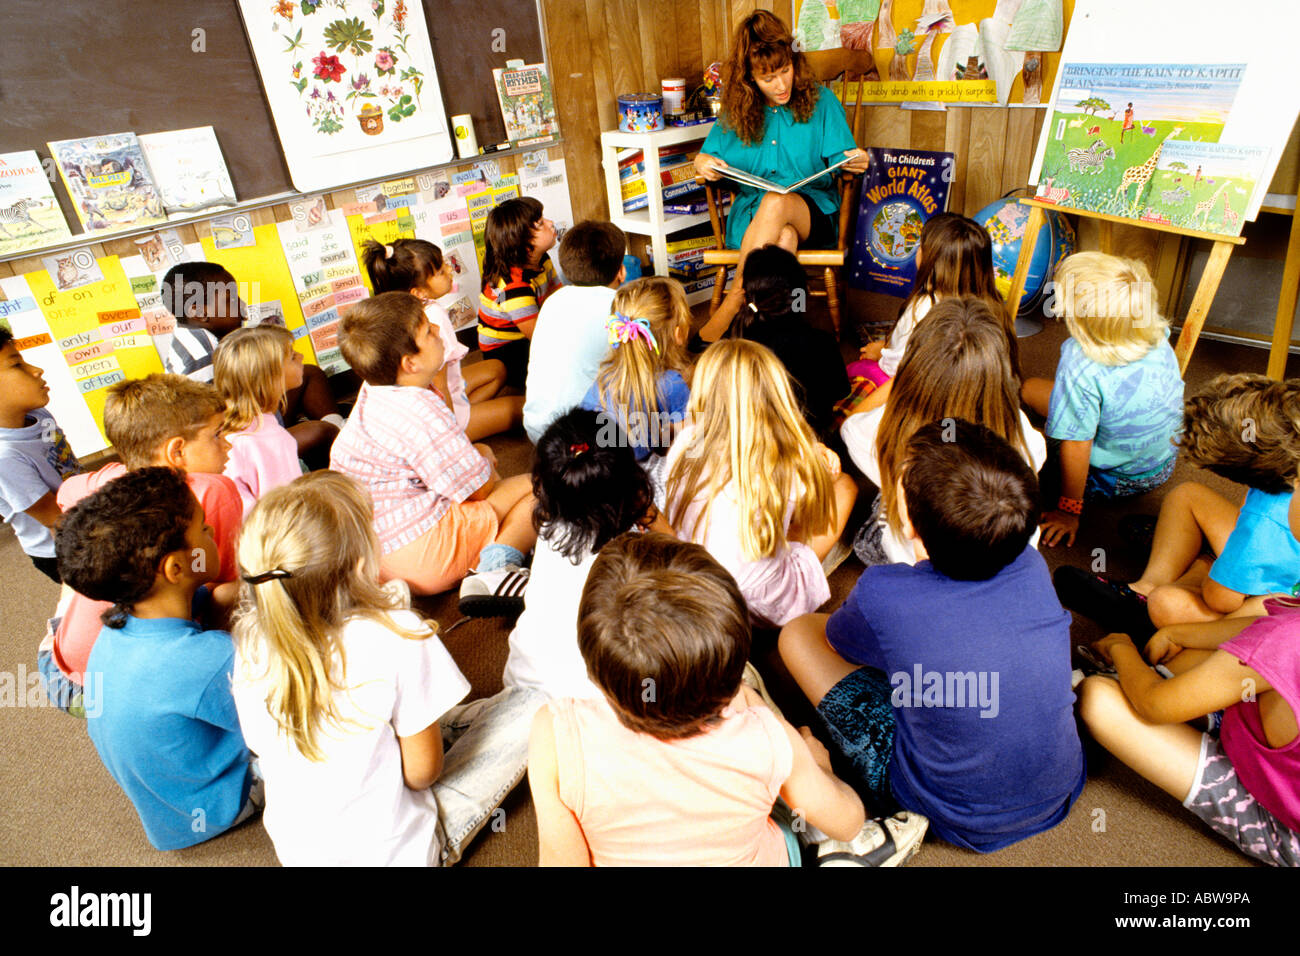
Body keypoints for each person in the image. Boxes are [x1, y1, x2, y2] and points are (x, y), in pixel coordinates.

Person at [779, 420, 1086, 852]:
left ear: (906, 520)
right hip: (1060, 788)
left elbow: (836, 643)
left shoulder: (882, 591)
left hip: (949, 811)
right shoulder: (1033, 567)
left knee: (797, 634)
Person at [230, 471, 543, 866]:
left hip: (303, 855)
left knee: (388, 721)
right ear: (361, 566)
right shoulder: (396, 635)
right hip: (400, 853)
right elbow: (422, 774)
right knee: (536, 707)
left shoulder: (250, 643)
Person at [528, 531, 877, 866]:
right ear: (730, 684)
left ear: (593, 669)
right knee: (791, 799)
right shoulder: (767, 735)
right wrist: (818, 766)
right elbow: (847, 822)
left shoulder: (553, 736)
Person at [1077, 456, 1300, 867]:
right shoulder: (1283, 629)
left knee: (1099, 698)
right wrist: (1180, 633)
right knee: (1257, 617)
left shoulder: (1283, 643)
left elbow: (1156, 705)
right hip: (1265, 707)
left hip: (1287, 829)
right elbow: (1259, 631)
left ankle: (1134, 660)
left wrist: (1123, 648)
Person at [57, 467, 258, 850]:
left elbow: (215, 599)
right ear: (176, 568)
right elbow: (286, 718)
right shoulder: (209, 660)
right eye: (204, 529)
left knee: (223, 600)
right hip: (216, 808)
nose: (214, 533)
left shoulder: (116, 627)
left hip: (168, 809)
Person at [38, 374, 242, 717]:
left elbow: (67, 492)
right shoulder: (210, 491)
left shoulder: (109, 477)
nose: (229, 445)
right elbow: (221, 591)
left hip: (59, 661)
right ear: (177, 450)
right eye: (218, 434)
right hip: (107, 689)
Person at [331, 292, 536, 609]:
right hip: (424, 555)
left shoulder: (374, 391)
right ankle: (492, 570)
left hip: (373, 555)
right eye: (428, 330)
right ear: (409, 363)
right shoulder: (420, 409)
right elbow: (480, 489)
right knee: (546, 487)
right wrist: (483, 457)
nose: (439, 332)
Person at [1056, 374, 1300, 639]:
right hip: (1284, 562)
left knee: (1167, 603)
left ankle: (1154, 600)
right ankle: (1152, 582)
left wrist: (1210, 566)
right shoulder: (1286, 469)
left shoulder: (1263, 523)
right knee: (1187, 494)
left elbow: (1222, 600)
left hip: (1283, 609)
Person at [693, 10, 869, 341]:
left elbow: (842, 158)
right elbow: (708, 159)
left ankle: (735, 300)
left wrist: (854, 160)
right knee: (784, 237)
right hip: (753, 220)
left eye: (785, 70)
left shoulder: (822, 101)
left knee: (779, 202)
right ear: (750, 79)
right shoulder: (738, 110)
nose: (781, 83)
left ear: (793, 61)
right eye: (768, 78)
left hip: (814, 212)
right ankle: (786, 328)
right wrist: (702, 163)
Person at [665, 339, 856, 627]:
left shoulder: (684, 442)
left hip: (701, 585)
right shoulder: (784, 462)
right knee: (846, 487)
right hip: (761, 604)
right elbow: (810, 507)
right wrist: (820, 466)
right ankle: (807, 574)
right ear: (775, 391)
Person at [842, 297, 1046, 567]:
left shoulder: (880, 429)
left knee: (870, 529)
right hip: (1003, 554)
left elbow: (849, 425)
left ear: (914, 370)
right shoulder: (1022, 432)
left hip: (912, 558)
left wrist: (898, 383)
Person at [503, 408, 672, 700]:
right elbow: (695, 572)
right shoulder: (635, 558)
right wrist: (658, 521)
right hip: (592, 703)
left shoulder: (550, 524)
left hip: (522, 682)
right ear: (632, 480)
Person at [1023, 252, 1183, 547]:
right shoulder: (1157, 332)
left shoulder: (1080, 363)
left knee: (1029, 410)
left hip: (1112, 480)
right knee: (1038, 391)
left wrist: (1068, 510)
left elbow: (1078, 444)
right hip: (1161, 466)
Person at [161, 261, 342, 463]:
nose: (242, 307)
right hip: (239, 448)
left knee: (309, 374)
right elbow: (226, 434)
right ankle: (341, 448)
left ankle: (339, 434)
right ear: (200, 312)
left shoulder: (196, 335)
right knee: (321, 431)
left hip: (252, 420)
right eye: (231, 300)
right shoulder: (202, 360)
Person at [846, 212, 1016, 415]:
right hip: (973, 400)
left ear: (933, 260)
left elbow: (902, 371)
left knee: (853, 372)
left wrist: (879, 355)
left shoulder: (924, 306)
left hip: (919, 394)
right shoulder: (993, 306)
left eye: (921, 246)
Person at [361, 238, 522, 441]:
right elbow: (439, 386)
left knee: (496, 369)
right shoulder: (433, 319)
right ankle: (457, 431)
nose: (448, 270)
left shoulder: (399, 311)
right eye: (439, 271)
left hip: (435, 397)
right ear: (418, 292)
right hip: (438, 411)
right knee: (523, 408)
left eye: (443, 263)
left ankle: (468, 413)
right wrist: (451, 436)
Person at [581, 277, 694, 503]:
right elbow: (691, 442)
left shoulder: (604, 377)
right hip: (629, 482)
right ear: (678, 333)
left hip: (587, 475)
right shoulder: (672, 384)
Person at [523, 221, 627, 443]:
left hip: (539, 431)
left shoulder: (553, 302)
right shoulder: (621, 309)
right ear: (622, 272)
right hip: (591, 436)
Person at [739, 244, 849, 440]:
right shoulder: (823, 343)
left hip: (749, 439)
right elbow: (840, 391)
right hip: (807, 442)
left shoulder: (736, 339)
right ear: (802, 294)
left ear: (747, 296)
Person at [0, 326, 80, 583]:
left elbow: (61, 462)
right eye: (16, 366)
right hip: (62, 548)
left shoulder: (39, 416)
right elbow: (56, 520)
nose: (36, 370)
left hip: (84, 514)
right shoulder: (6, 457)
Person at [213, 324, 304, 517]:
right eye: (292, 357)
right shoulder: (269, 439)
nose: (301, 357)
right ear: (270, 377)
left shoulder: (222, 426)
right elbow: (287, 511)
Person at [477, 197, 562, 388]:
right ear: (523, 243)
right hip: (505, 351)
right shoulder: (513, 287)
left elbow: (558, 297)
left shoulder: (541, 258)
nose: (550, 222)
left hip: (528, 331)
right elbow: (540, 337)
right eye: (540, 223)